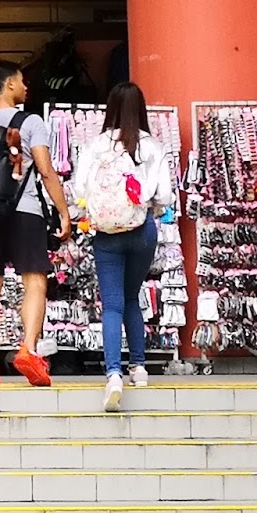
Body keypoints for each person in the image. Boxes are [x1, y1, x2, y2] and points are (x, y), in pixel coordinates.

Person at [0, 60, 72, 389]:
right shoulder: (31, 122)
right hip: (26, 211)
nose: (26, 87)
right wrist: (63, 211)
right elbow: (46, 170)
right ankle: (28, 350)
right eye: (22, 81)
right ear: (9, 84)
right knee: (34, 282)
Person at [70, 82, 175, 412]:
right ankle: (140, 367)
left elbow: (78, 191)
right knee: (133, 295)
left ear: (110, 108)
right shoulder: (153, 147)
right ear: (141, 108)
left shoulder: (96, 146)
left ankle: (113, 373)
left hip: (106, 233)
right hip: (142, 230)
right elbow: (166, 197)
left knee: (112, 304)